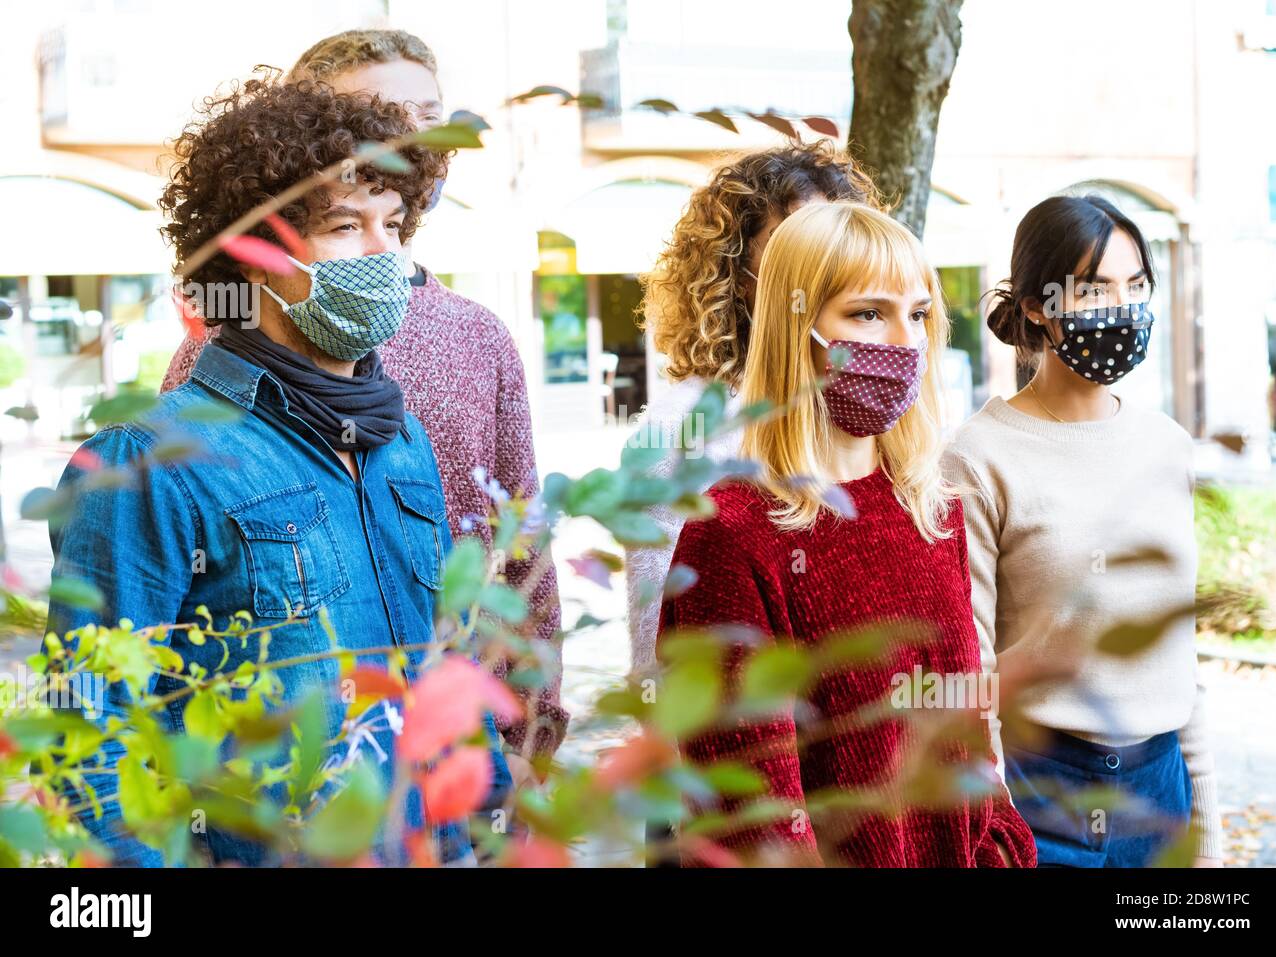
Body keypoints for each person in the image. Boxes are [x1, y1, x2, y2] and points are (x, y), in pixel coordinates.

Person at [47, 75, 494, 866]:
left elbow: (445, 661)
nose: (382, 253)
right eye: (345, 226)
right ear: (252, 258)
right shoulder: (151, 463)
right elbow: (87, 748)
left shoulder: (402, 441)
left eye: (395, 224)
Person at [158, 30, 567, 778]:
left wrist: (522, 750)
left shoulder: (476, 344)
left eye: (430, 113)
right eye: (385, 112)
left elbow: (524, 552)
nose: (416, 137)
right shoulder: (205, 376)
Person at [658, 202, 1036, 867]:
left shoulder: (931, 507)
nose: (903, 340)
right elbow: (751, 817)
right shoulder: (734, 532)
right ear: (798, 327)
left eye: (918, 314)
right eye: (867, 313)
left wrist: (1002, 843)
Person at [941, 194, 1222, 867]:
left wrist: (1208, 835)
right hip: (1040, 796)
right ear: (1038, 305)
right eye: (1094, 290)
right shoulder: (978, 457)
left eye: (1136, 287)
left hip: (1161, 794)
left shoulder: (1168, 446)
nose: (1121, 309)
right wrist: (993, 819)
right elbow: (970, 667)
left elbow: (1179, 654)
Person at [629, 142, 883, 675]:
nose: (815, 269)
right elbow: (664, 645)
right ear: (736, 274)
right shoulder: (680, 430)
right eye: (790, 247)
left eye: (832, 244)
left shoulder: (880, 398)